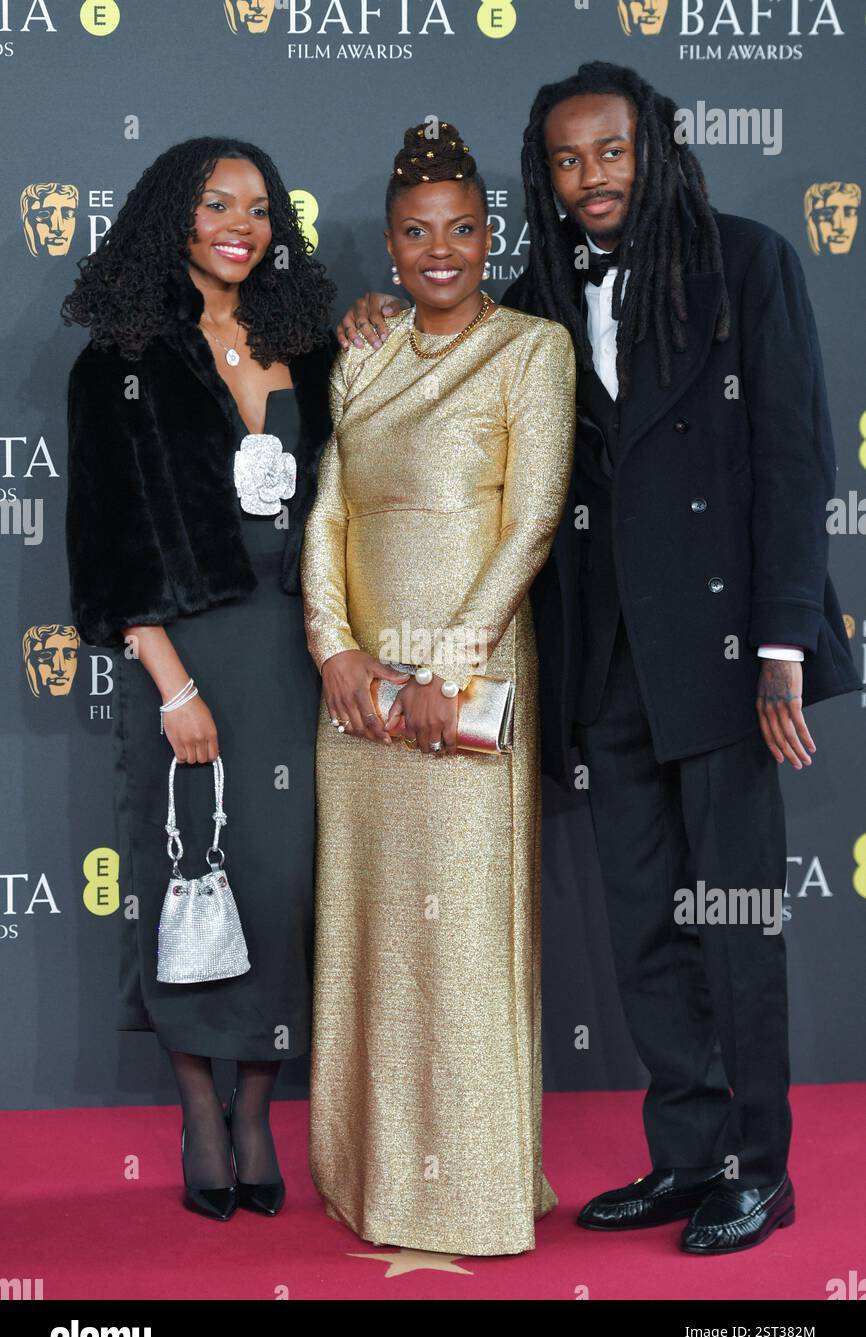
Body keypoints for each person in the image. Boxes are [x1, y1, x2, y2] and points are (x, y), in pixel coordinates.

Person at [336, 64, 861, 1254]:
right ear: (545, 174)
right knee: (642, 925)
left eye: (610, 153)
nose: (591, 179)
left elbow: (792, 462)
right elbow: (438, 356)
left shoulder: (749, 259)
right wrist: (363, 319)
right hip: (605, 664)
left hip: (727, 659)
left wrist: (780, 646)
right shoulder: (535, 302)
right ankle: (682, 1157)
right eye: (568, 161)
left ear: (653, 148)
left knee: (733, 921)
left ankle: (755, 1170)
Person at [300, 120, 576, 1255]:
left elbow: (532, 522)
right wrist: (336, 651)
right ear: (391, 247)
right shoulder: (358, 351)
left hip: (465, 689)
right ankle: (369, 1176)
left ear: (486, 232)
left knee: (461, 934)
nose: (440, 250)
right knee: (370, 932)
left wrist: (443, 667)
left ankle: (468, 1189)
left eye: (461, 229)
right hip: (361, 699)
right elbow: (329, 512)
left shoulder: (533, 348)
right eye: (417, 234)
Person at [63, 136, 338, 1221]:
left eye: (259, 206)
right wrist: (172, 686)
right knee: (186, 871)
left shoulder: (306, 345)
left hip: (294, 651)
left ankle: (260, 1107)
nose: (241, 223)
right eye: (217, 203)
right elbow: (107, 542)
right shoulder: (118, 358)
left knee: (280, 881)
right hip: (181, 654)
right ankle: (196, 1108)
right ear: (173, 218)